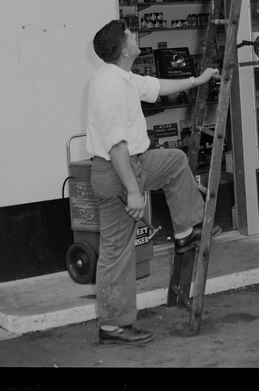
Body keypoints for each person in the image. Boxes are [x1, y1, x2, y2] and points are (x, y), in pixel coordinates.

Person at [86, 19, 220, 345]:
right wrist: (133, 191)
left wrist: (197, 79)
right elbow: (116, 146)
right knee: (118, 253)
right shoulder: (111, 87)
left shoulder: (124, 78)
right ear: (123, 50)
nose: (136, 37)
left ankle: (186, 231)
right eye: (131, 35)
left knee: (174, 162)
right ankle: (114, 325)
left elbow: (157, 86)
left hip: (137, 163)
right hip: (118, 174)